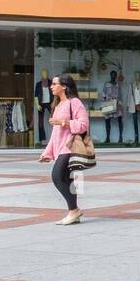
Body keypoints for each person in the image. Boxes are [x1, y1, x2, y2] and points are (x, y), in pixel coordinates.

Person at [39, 74, 89, 226]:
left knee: (57, 176)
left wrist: (63, 122)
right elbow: (55, 134)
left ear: (65, 86)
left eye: (55, 84)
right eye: (52, 84)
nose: (51, 86)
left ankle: (74, 210)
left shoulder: (75, 102)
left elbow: (83, 125)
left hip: (71, 146)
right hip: (61, 148)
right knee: (66, 179)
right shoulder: (58, 105)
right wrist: (47, 153)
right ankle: (73, 212)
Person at [100, 69, 124, 144]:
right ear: (110, 75)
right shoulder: (106, 84)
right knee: (107, 120)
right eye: (112, 75)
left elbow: (120, 95)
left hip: (117, 103)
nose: (113, 76)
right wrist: (103, 105)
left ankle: (121, 137)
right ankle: (108, 138)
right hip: (109, 103)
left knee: (120, 119)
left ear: (116, 76)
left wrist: (121, 104)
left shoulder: (118, 84)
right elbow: (103, 94)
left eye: (115, 75)